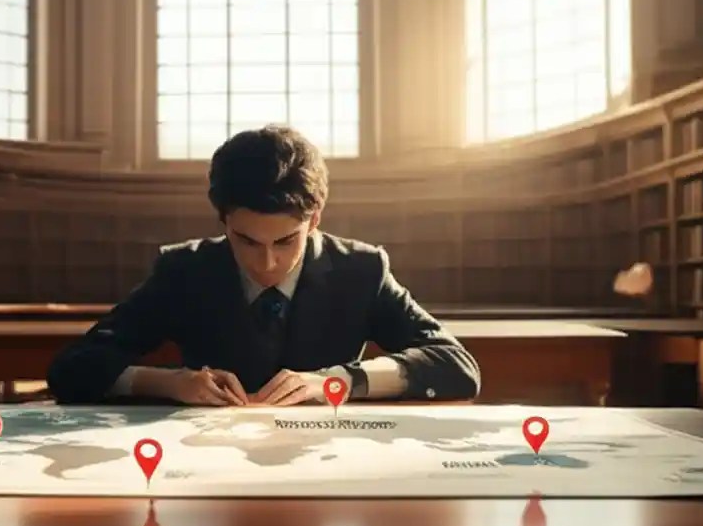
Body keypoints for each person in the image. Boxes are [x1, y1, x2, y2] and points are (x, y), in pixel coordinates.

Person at [46, 124, 481, 406]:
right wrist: (170, 383)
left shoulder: (362, 270)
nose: (267, 262)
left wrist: (339, 381)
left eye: (286, 241)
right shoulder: (184, 270)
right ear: (223, 220)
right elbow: (73, 368)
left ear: (315, 218)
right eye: (247, 241)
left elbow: (456, 365)